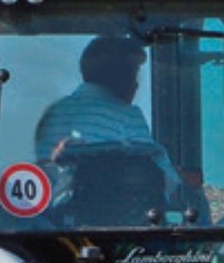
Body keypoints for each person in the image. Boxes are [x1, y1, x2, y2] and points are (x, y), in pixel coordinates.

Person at [34, 35, 181, 197]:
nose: (137, 84)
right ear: (121, 77)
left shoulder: (53, 113)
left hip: (48, 213)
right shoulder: (128, 116)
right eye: (134, 73)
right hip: (111, 213)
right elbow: (166, 182)